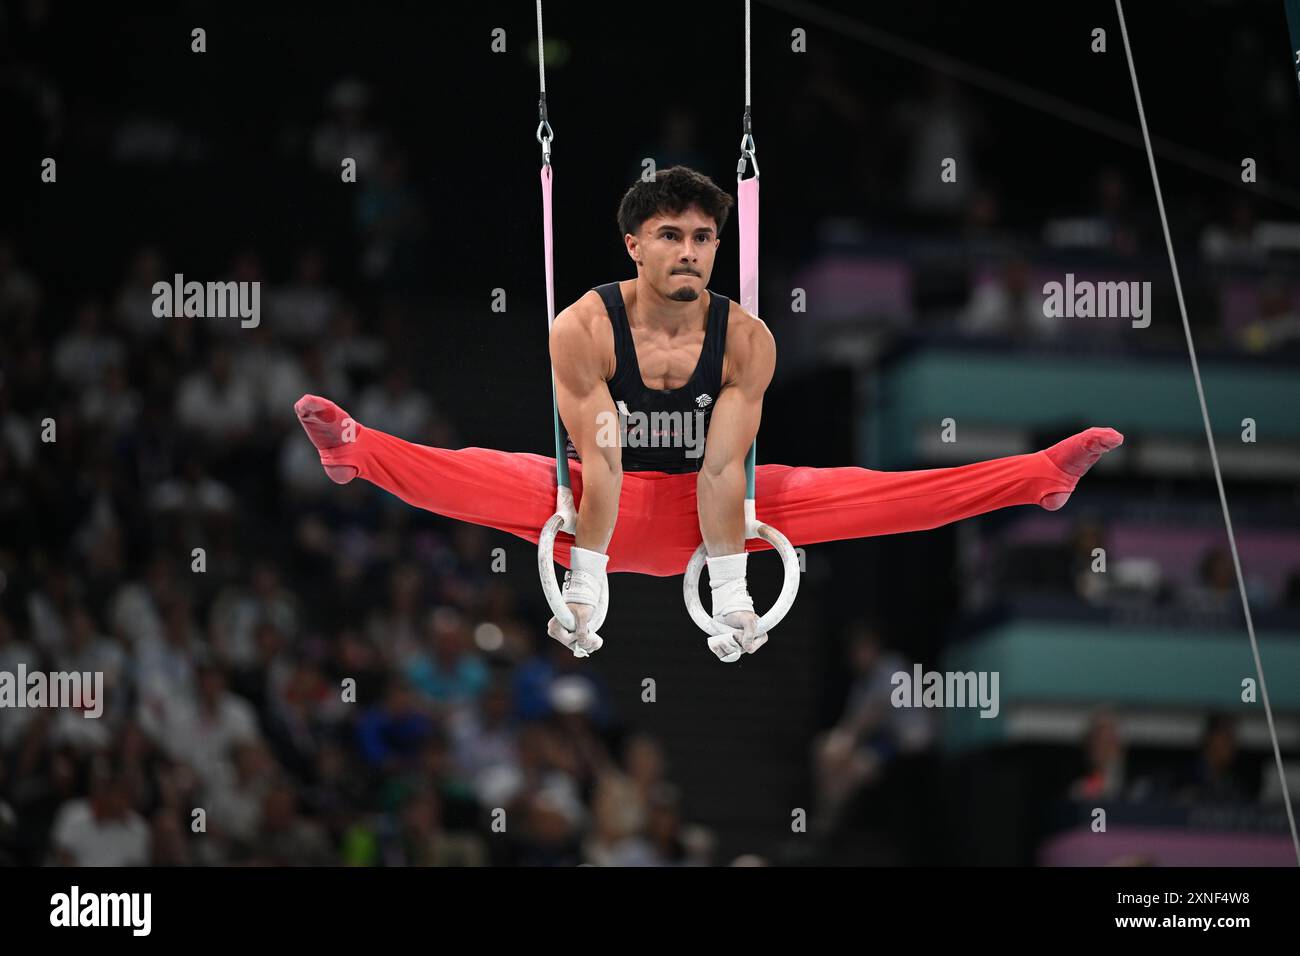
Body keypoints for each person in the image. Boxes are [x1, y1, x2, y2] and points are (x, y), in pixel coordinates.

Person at [294, 167, 1123, 660]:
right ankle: (356, 450)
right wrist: (585, 587)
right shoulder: (583, 327)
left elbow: (726, 468)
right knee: (489, 475)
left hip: (717, 510)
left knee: (874, 493)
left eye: (702, 236)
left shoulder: (745, 340)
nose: (689, 250)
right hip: (597, 503)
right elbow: (607, 459)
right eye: (670, 235)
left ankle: (1035, 480)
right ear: (634, 246)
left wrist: (733, 593)